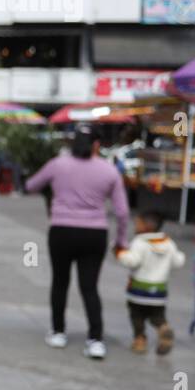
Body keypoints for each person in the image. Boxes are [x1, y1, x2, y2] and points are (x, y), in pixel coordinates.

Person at [24, 126, 130, 359]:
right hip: (95, 234)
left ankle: (58, 332)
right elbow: (122, 212)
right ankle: (95, 340)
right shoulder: (109, 171)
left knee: (60, 282)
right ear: (96, 145)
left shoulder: (58, 164)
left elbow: (31, 186)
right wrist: (121, 240)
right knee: (89, 286)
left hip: (61, 230)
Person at [114, 210, 185, 355]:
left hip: (139, 289)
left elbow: (132, 261)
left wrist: (119, 252)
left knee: (137, 315)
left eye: (137, 223)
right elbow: (178, 262)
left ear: (146, 226)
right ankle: (163, 328)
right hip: (159, 291)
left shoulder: (140, 242)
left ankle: (140, 340)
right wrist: (180, 256)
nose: (134, 226)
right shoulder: (168, 242)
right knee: (157, 315)